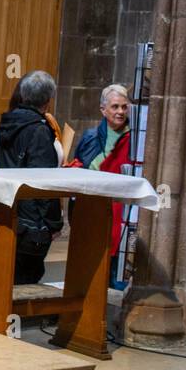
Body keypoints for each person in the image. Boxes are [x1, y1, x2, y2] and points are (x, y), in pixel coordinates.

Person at [0, 70, 64, 284]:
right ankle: (23, 317)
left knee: (9, 276)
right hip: (32, 223)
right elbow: (43, 183)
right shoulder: (38, 131)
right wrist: (54, 224)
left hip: (8, 211)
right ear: (48, 100)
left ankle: (7, 316)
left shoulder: (8, 122)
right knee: (26, 280)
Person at [67, 83, 133, 262]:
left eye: (124, 107)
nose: (120, 111)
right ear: (103, 110)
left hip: (121, 209)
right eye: (115, 107)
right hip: (94, 208)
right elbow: (80, 168)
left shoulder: (135, 140)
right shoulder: (90, 137)